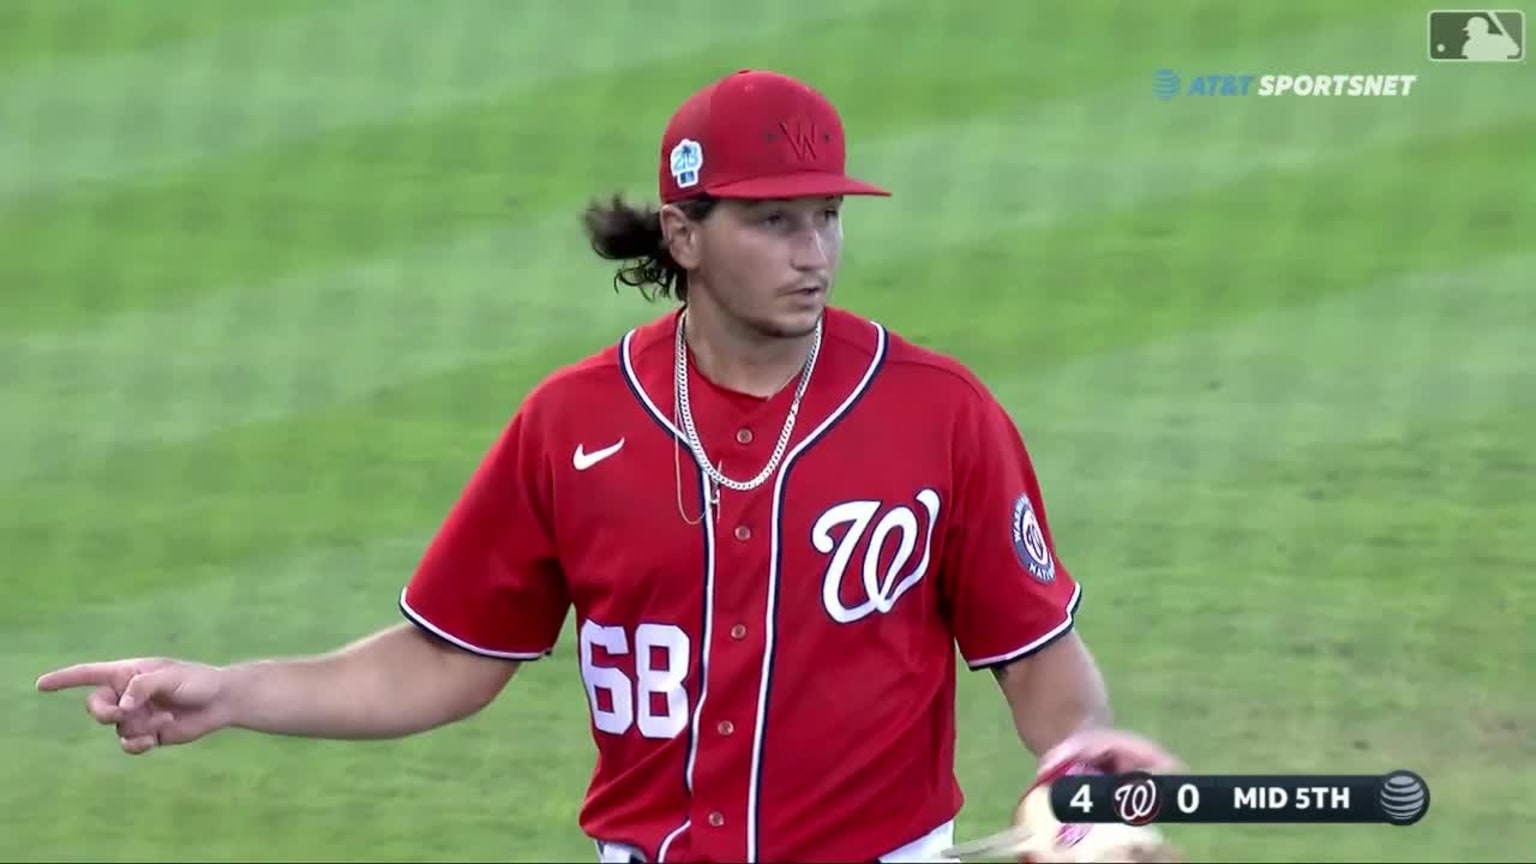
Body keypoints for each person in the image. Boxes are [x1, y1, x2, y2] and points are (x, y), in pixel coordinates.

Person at [35, 69, 1181, 863]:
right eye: (774, 222)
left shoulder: (939, 414)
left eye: (826, 216)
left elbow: (1039, 662)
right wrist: (231, 691)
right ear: (683, 237)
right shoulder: (573, 422)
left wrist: (1082, 759)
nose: (814, 252)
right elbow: (446, 659)